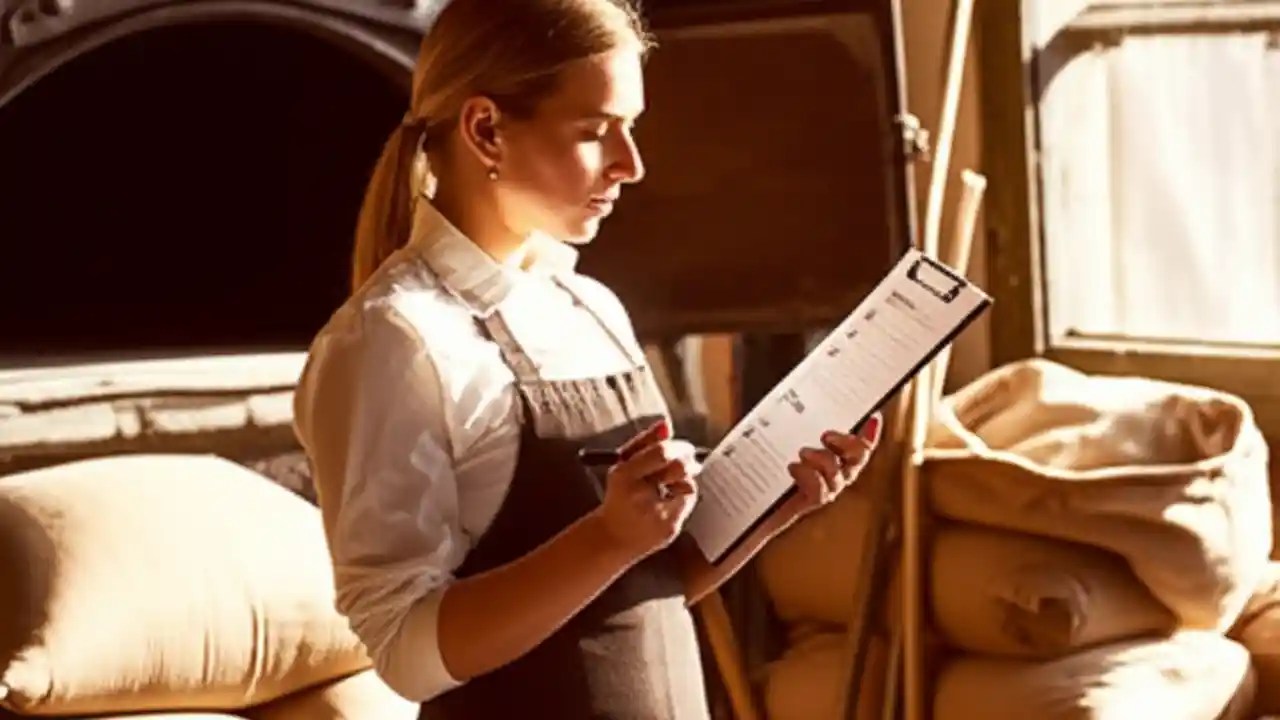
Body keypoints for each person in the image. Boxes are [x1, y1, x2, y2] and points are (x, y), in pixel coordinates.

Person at [291, 1, 883, 718]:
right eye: (595, 132)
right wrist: (606, 537)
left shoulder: (591, 306)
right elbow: (406, 654)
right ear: (486, 130)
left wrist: (774, 506)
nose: (631, 166)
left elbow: (644, 584)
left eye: (630, 129)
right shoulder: (396, 340)